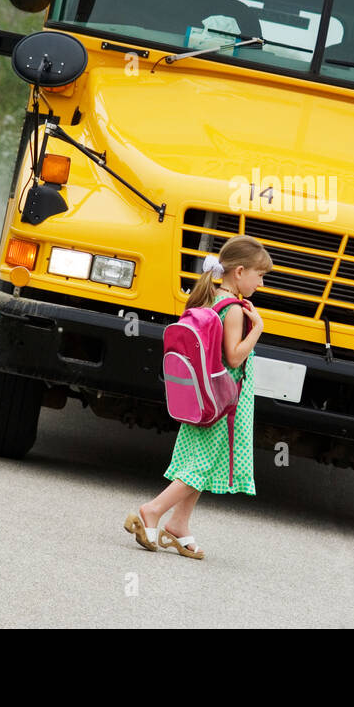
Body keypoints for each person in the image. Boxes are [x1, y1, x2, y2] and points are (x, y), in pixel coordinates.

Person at [123, 234, 273, 560]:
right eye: (259, 276)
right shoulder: (234, 310)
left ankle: (179, 523)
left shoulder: (210, 298)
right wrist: (258, 328)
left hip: (202, 396)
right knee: (202, 466)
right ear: (240, 272)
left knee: (201, 461)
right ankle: (152, 510)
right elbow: (234, 358)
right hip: (225, 402)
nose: (261, 284)